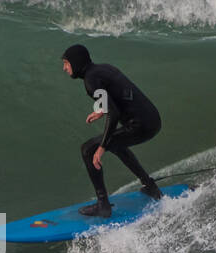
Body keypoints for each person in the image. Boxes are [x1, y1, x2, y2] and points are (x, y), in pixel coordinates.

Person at [61, 44, 163, 217]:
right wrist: (102, 110)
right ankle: (151, 187)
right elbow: (120, 93)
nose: (64, 68)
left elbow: (114, 114)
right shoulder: (103, 69)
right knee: (117, 145)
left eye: (66, 63)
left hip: (140, 125)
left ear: (76, 63)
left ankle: (103, 205)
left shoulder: (90, 81)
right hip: (152, 119)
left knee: (88, 149)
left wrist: (101, 147)